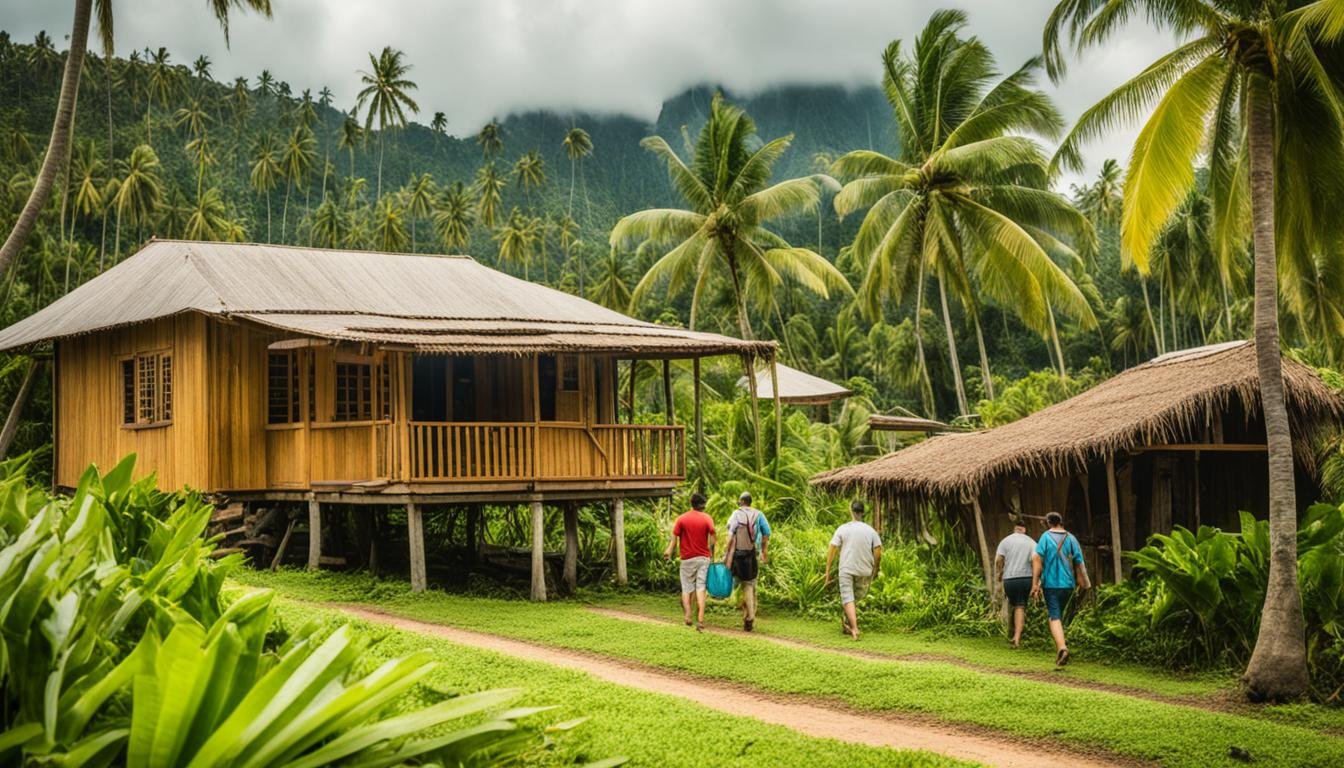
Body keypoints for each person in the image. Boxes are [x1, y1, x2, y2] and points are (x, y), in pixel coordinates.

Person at [1030, 511, 1090, 666]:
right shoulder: (1071, 538)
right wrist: (1085, 583)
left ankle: (1062, 648)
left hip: (1051, 584)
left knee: (1054, 616)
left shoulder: (1045, 537)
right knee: (1060, 616)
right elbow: (1079, 562)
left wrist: (1035, 583)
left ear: (1049, 523)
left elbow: (1037, 559)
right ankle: (1062, 644)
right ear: (1061, 522)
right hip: (1068, 585)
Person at [824, 500, 883, 641]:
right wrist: (876, 569)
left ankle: (854, 628)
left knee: (847, 597)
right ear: (862, 513)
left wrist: (827, 570)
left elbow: (832, 548)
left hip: (846, 569)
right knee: (853, 598)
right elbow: (878, 552)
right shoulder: (871, 531)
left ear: (851, 511)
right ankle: (848, 624)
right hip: (864, 570)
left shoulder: (843, 529)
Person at [663, 492, 716, 631]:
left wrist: (668, 552)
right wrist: (711, 552)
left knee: (686, 589)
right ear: (702, 505)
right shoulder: (707, 518)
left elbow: (673, 540)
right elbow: (712, 536)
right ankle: (700, 619)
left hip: (687, 559)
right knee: (701, 588)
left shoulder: (682, 519)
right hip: (703, 558)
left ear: (691, 504)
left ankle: (687, 615)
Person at [724, 491, 770, 631]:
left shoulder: (736, 514)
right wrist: (763, 551)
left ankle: (716, 599)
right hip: (752, 554)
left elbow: (730, 534)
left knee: (735, 581)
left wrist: (726, 553)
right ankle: (750, 616)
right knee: (749, 585)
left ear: (741, 502)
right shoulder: (759, 514)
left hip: (737, 554)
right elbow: (766, 533)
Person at [995, 518, 1036, 649]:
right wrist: (1037, 580)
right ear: (1024, 530)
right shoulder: (1031, 542)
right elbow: (1037, 560)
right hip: (1026, 578)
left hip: (1009, 579)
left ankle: (1012, 634)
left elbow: (998, 559)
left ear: (1015, 528)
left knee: (1014, 605)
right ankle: (1017, 637)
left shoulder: (1006, 541)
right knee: (1020, 607)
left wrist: (1000, 573)